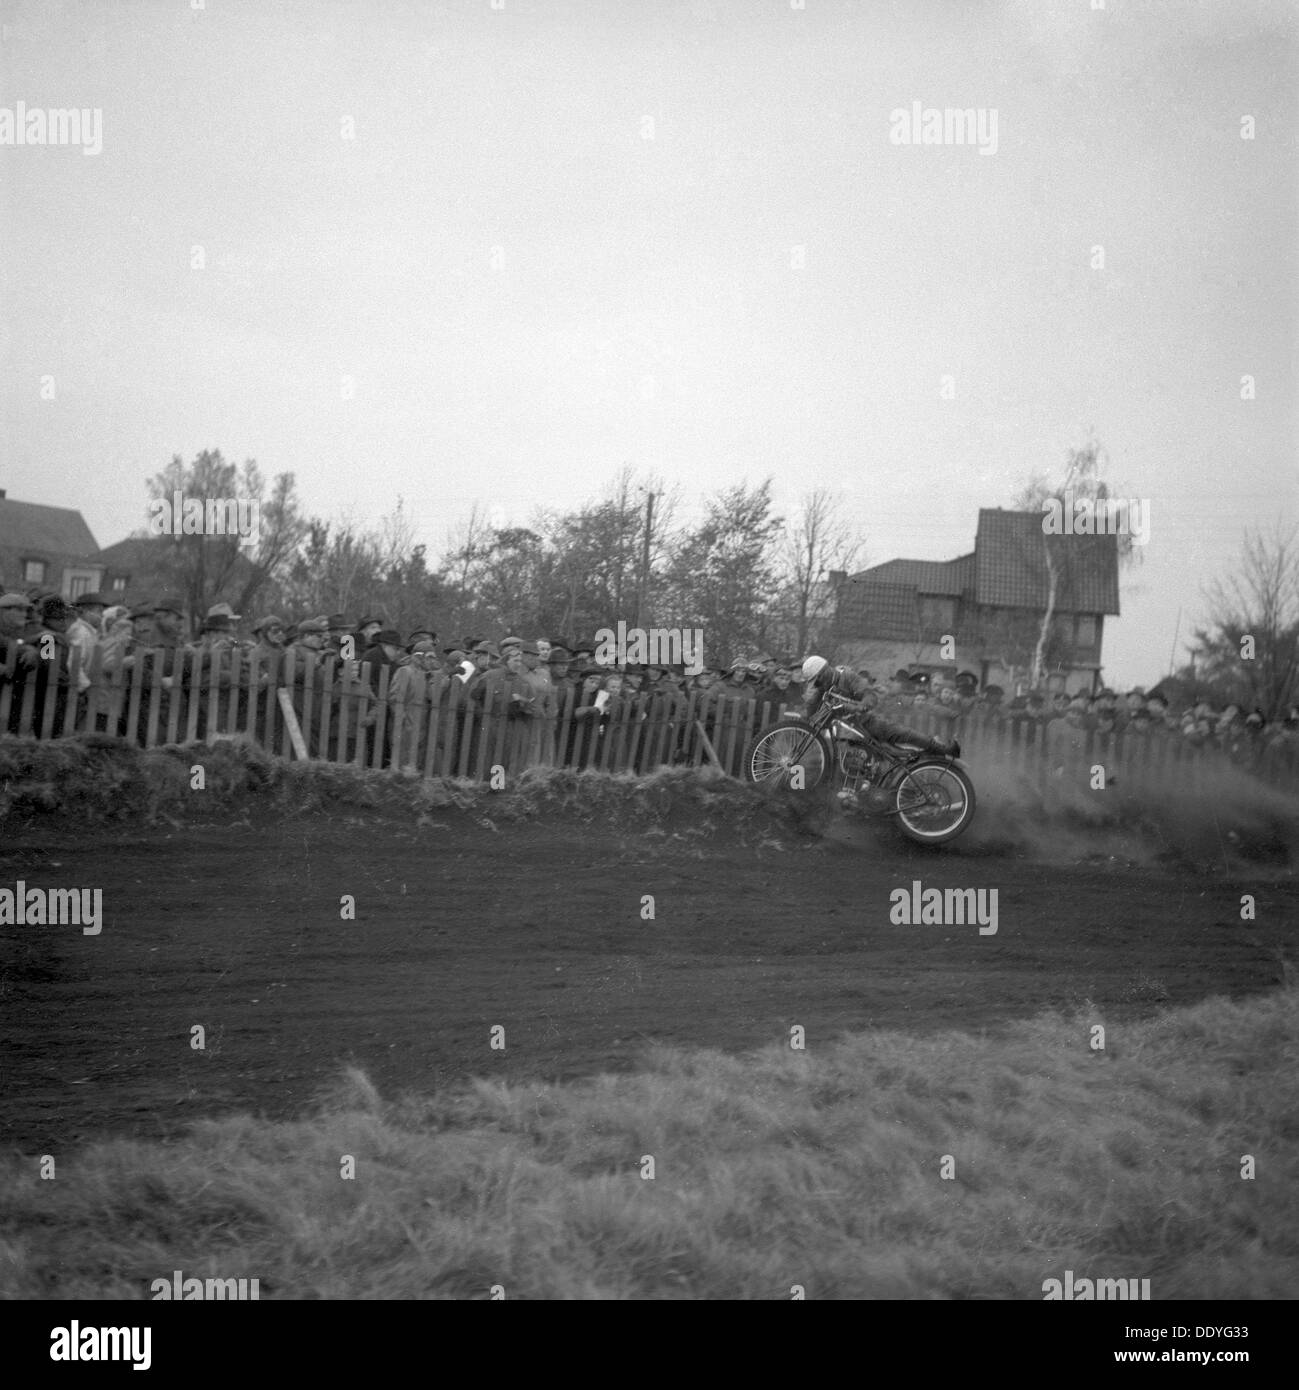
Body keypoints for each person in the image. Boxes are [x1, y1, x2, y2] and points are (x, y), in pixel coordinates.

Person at [800, 656, 959, 758]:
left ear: (824, 673)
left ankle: (944, 749)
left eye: (817, 680)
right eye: (814, 682)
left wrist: (862, 705)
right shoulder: (822, 688)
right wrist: (809, 702)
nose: (817, 684)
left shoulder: (847, 676)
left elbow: (870, 694)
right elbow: (811, 713)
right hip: (846, 733)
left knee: (904, 733)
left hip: (866, 723)